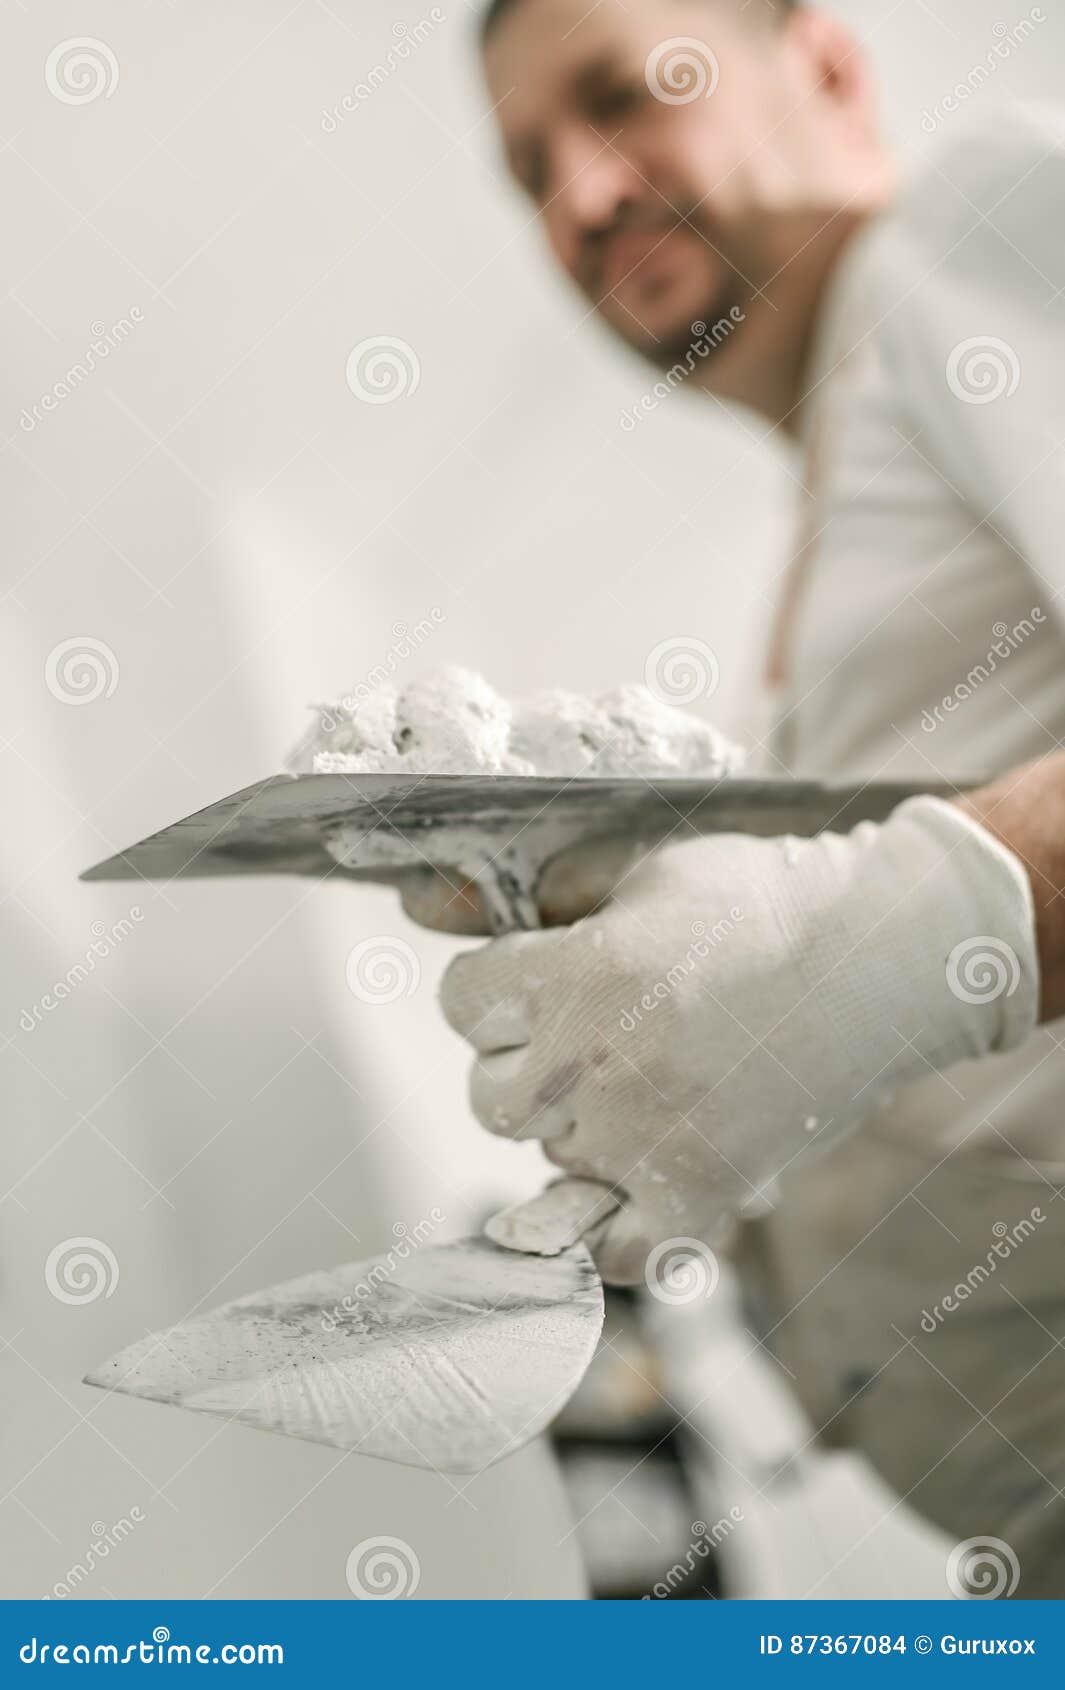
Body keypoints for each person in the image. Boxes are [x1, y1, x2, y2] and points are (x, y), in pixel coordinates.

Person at [402, 0, 1065, 1596]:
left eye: (622, 97)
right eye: (528, 173)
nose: (578, 198)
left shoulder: (966, 236)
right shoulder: (859, 466)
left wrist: (904, 937)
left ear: (827, 69)